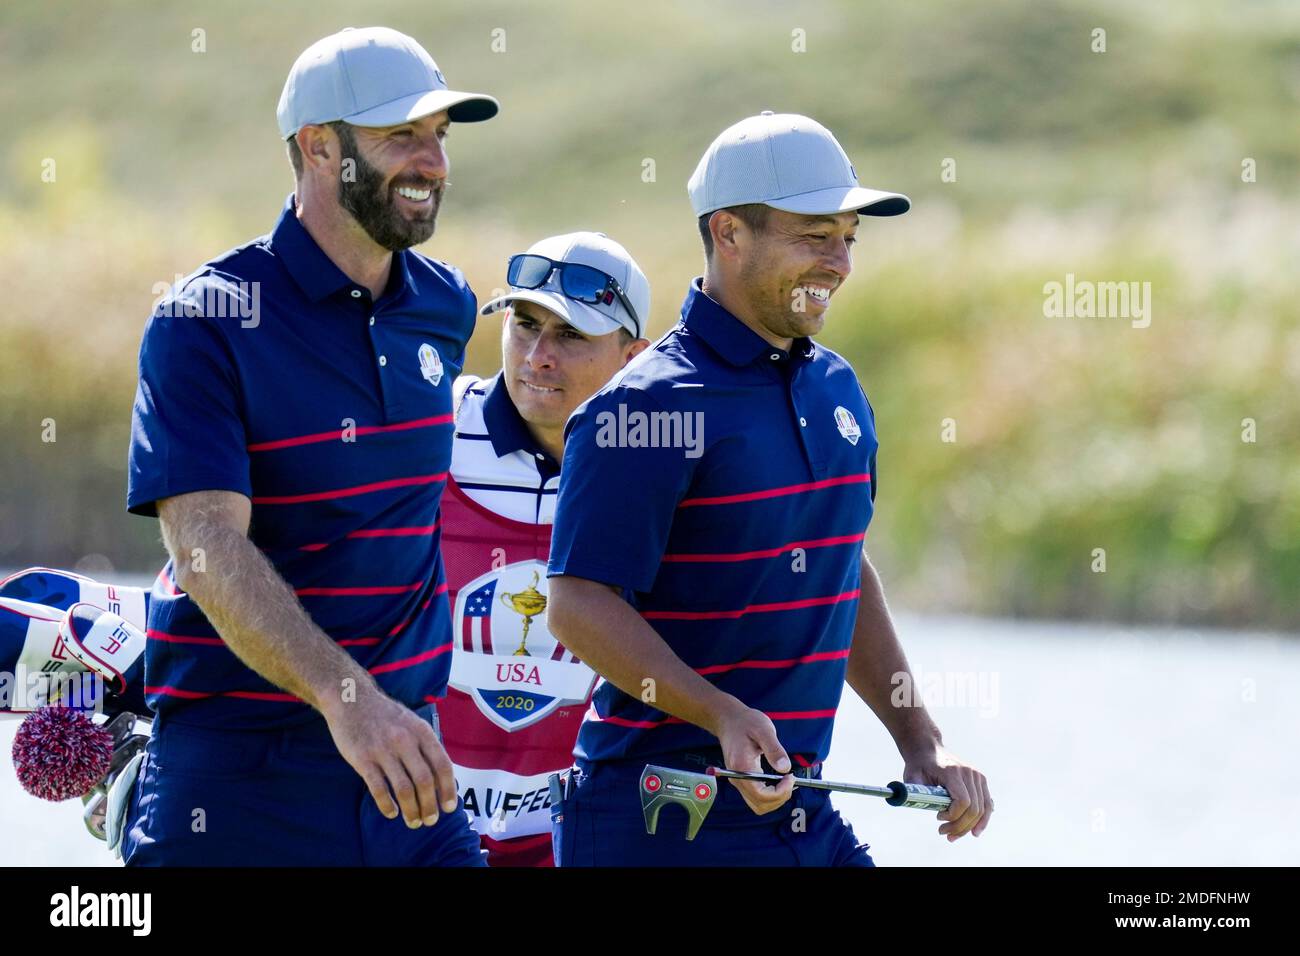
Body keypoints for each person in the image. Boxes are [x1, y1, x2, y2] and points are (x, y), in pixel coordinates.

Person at [546, 112, 993, 866]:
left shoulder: (838, 388)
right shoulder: (645, 406)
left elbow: (840, 566)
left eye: (848, 238)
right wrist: (717, 712)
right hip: (656, 827)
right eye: (815, 236)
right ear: (728, 233)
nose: (840, 263)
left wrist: (922, 740)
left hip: (798, 814)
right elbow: (577, 605)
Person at [119, 26, 499, 866]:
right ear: (318, 147)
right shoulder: (206, 320)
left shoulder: (444, 306)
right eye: (402, 135)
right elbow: (206, 546)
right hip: (241, 783)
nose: (432, 161)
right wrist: (348, 699)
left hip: (407, 775)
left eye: (439, 136)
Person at [439, 232, 649, 865]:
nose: (537, 356)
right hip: (414, 836)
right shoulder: (430, 427)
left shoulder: (665, 464)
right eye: (525, 325)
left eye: (571, 336)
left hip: (575, 846)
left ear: (633, 356)